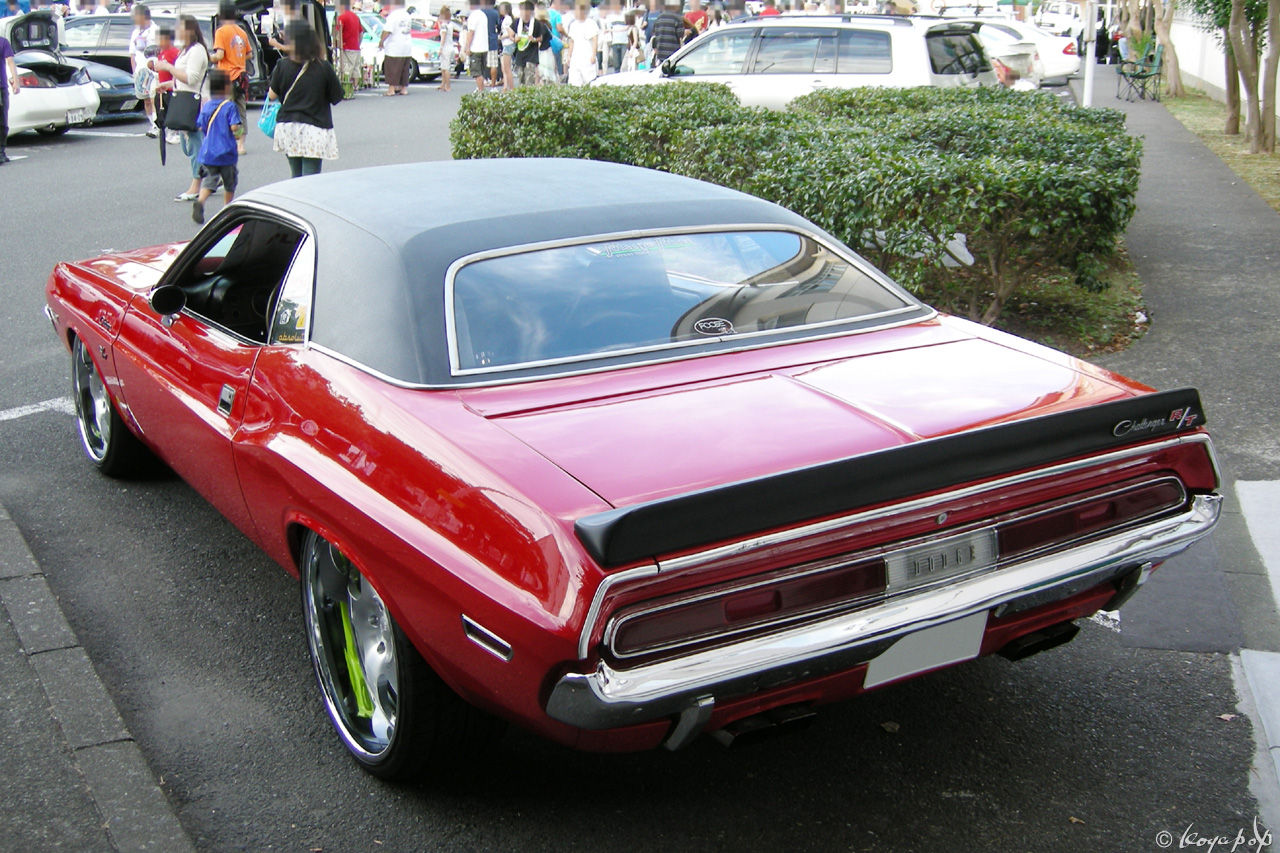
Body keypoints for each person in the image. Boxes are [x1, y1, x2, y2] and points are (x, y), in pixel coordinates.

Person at [269, 20, 341, 177]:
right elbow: (336, 97)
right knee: (310, 178)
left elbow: (271, 95)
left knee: (295, 175)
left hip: (288, 126)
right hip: (314, 128)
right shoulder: (323, 67)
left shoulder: (282, 65)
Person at [152, 15, 209, 201]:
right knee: (188, 145)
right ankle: (213, 175)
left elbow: (191, 78)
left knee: (194, 143)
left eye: (179, 28)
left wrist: (167, 67)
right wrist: (169, 84)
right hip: (184, 98)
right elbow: (182, 78)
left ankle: (196, 185)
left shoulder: (197, 50)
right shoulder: (187, 50)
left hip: (194, 102)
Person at [191, 69, 239, 224]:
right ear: (227, 88)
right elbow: (234, 128)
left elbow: (200, 126)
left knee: (210, 180)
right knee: (229, 181)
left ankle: (200, 201)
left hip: (209, 152)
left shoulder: (207, 106)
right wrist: (238, 131)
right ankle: (227, 208)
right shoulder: (229, 106)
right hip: (226, 152)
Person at [210, 3, 250, 155]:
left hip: (227, 77)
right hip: (242, 77)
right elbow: (249, 54)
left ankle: (228, 144)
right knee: (241, 111)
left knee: (226, 111)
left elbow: (219, 55)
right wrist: (237, 59)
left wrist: (210, 57)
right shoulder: (242, 32)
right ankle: (241, 145)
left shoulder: (221, 32)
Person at [130, 4, 158, 136]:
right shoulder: (135, 32)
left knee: (153, 98)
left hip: (153, 71)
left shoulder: (155, 30)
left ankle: (157, 125)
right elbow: (132, 54)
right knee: (146, 99)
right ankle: (152, 124)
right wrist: (134, 71)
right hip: (140, 71)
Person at [379, 0, 413, 94]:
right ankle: (403, 88)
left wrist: (381, 41)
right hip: (406, 45)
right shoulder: (407, 15)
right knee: (404, 68)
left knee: (392, 68)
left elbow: (387, 30)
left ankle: (391, 89)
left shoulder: (393, 16)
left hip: (395, 46)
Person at [152, 26, 179, 143]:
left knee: (172, 111)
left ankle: (173, 133)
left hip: (171, 88)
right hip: (162, 87)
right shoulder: (161, 53)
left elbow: (177, 68)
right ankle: (163, 129)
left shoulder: (174, 52)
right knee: (161, 108)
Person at [511, 0, 546, 85]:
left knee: (530, 77)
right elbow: (510, 33)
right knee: (521, 76)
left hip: (531, 54)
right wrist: (514, 39)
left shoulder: (536, 23)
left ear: (531, 12)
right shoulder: (517, 22)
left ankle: (529, 94)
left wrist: (534, 39)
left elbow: (541, 38)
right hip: (520, 54)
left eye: (527, 11)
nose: (525, 13)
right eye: (523, 11)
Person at [562, 0, 598, 85]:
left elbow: (595, 40)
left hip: (587, 57)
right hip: (575, 58)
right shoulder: (573, 25)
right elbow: (572, 41)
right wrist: (569, 56)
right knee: (574, 82)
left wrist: (593, 55)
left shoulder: (591, 23)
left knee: (590, 82)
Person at [333, 0, 362, 94]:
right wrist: (358, 43)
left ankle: (347, 88)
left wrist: (337, 44)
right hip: (356, 47)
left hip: (346, 46)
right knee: (355, 68)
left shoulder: (341, 17)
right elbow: (361, 33)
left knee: (346, 68)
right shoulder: (356, 17)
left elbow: (336, 33)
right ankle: (355, 86)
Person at [462, 0, 490, 90]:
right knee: (481, 72)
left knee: (477, 73)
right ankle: (481, 91)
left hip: (476, 48)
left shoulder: (473, 16)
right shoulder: (483, 15)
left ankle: (481, 92)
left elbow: (471, 32)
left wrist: (467, 47)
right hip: (484, 47)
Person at [648, 0, 684, 64]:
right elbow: (680, 36)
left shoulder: (659, 18)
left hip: (661, 53)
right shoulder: (678, 18)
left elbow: (654, 36)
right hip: (674, 54)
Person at [435, 5, 457, 90]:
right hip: (450, 46)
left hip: (445, 48)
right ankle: (443, 84)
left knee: (445, 68)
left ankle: (447, 86)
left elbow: (443, 37)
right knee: (444, 67)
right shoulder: (450, 24)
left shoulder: (444, 25)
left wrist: (440, 48)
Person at [1, 33, 15, 164]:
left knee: (2, 122)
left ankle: (1, 151)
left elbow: (10, 62)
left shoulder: (2, 42)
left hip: (1, 87)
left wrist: (15, 80)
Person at [535, 4, 557, 82]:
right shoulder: (547, 24)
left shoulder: (540, 25)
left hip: (543, 51)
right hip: (549, 50)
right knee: (549, 72)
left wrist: (533, 39)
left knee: (542, 72)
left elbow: (540, 39)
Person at [498, 1, 515, 90]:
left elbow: (510, 33)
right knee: (506, 68)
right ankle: (507, 87)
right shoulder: (507, 19)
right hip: (507, 44)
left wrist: (501, 37)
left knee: (507, 68)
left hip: (508, 43)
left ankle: (511, 88)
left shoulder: (507, 19)